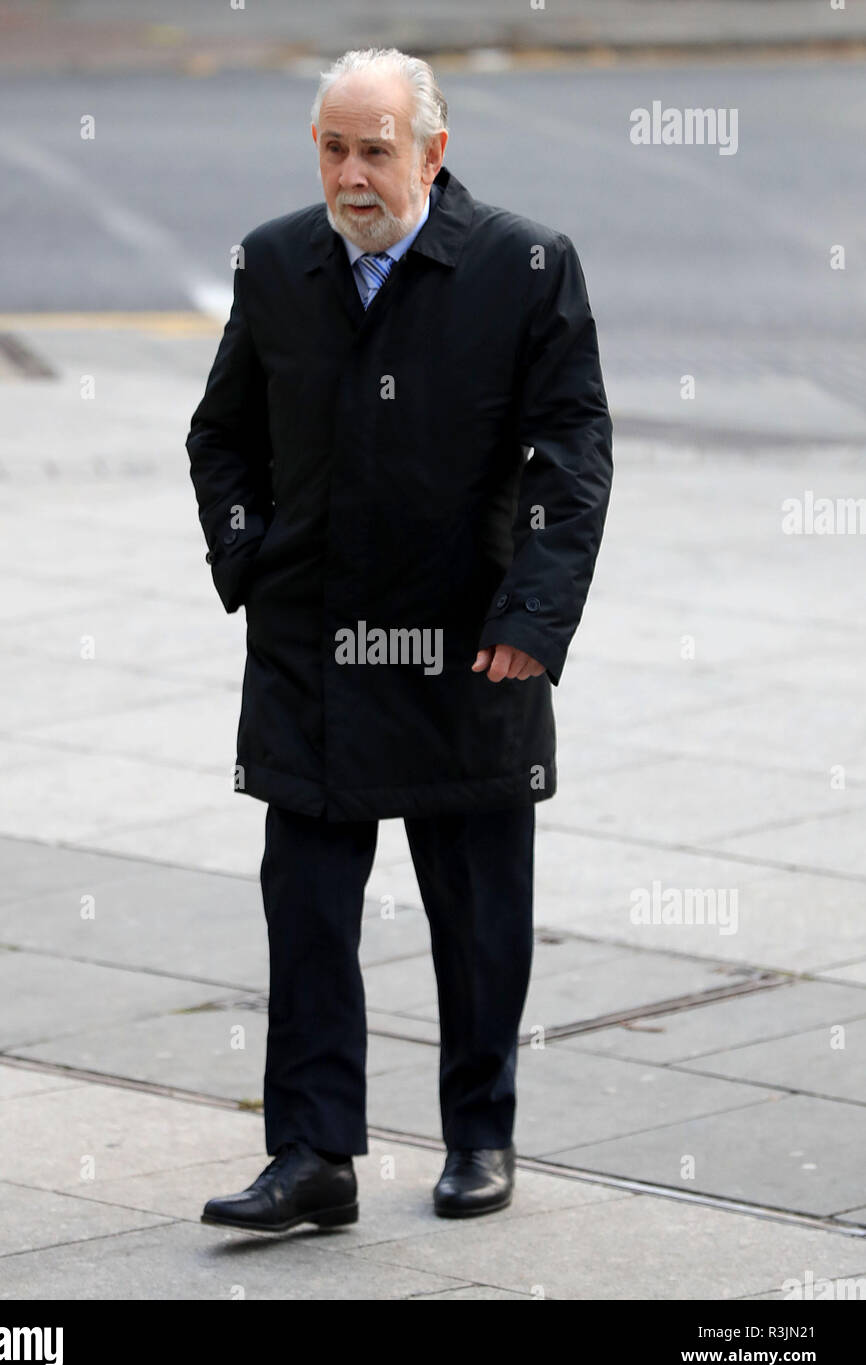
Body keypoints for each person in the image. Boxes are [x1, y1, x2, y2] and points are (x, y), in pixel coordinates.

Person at [187, 47, 613, 1232]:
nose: (351, 176)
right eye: (333, 149)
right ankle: (312, 1154)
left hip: (466, 647)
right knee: (308, 912)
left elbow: (572, 455)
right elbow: (222, 437)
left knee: (477, 910)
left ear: (433, 151)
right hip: (312, 649)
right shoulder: (277, 260)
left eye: (375, 150)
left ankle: (480, 1135)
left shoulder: (524, 266)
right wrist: (249, 560)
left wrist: (533, 616)